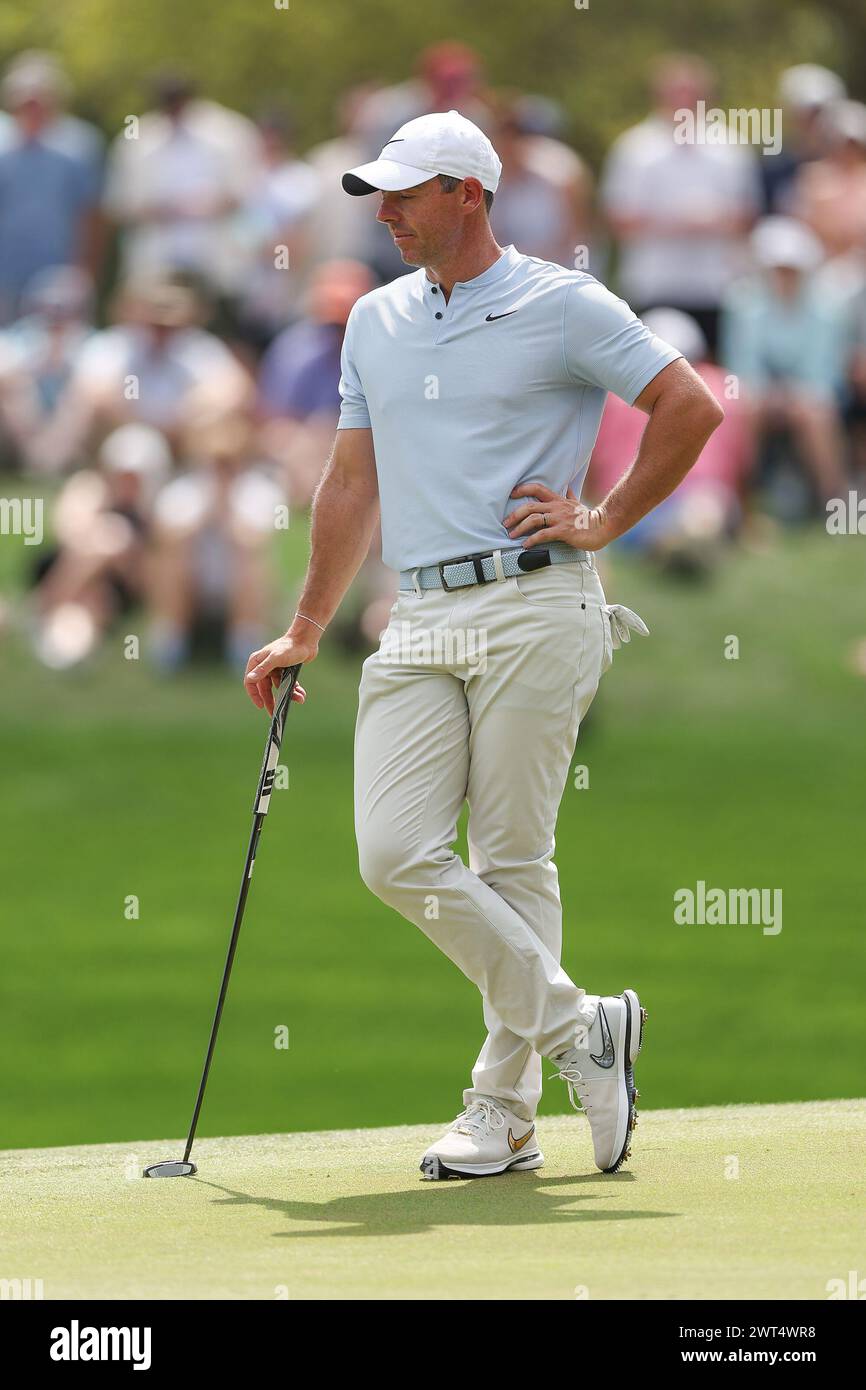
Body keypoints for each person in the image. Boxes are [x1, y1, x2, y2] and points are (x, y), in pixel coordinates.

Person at [242, 111, 723, 1181]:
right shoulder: (371, 317)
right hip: (414, 616)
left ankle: (501, 1112)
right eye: (379, 196)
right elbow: (351, 481)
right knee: (392, 850)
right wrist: (306, 625)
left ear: (469, 192)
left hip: (534, 603)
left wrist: (600, 518)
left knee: (512, 857)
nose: (387, 214)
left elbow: (685, 407)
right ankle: (580, 1028)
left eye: (406, 194)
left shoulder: (563, 303)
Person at [601, 52, 760, 354]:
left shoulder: (731, 150)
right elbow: (619, 220)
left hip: (716, 287)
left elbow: (748, 217)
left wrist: (711, 221)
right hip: (654, 284)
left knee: (714, 376)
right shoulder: (635, 149)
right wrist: (678, 222)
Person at [586, 308, 753, 575]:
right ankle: (679, 543)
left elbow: (591, 463)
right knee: (705, 508)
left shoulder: (609, 394)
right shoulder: (719, 387)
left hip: (625, 508)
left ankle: (668, 543)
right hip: (687, 503)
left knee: (700, 508)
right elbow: (743, 463)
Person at [720, 216, 848, 507]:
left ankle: (834, 501)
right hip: (761, 395)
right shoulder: (743, 303)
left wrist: (792, 397)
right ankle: (741, 503)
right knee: (746, 409)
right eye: (778, 269)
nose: (784, 275)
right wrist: (767, 394)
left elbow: (823, 372)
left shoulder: (827, 308)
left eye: (791, 269)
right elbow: (741, 367)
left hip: (810, 397)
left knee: (815, 414)